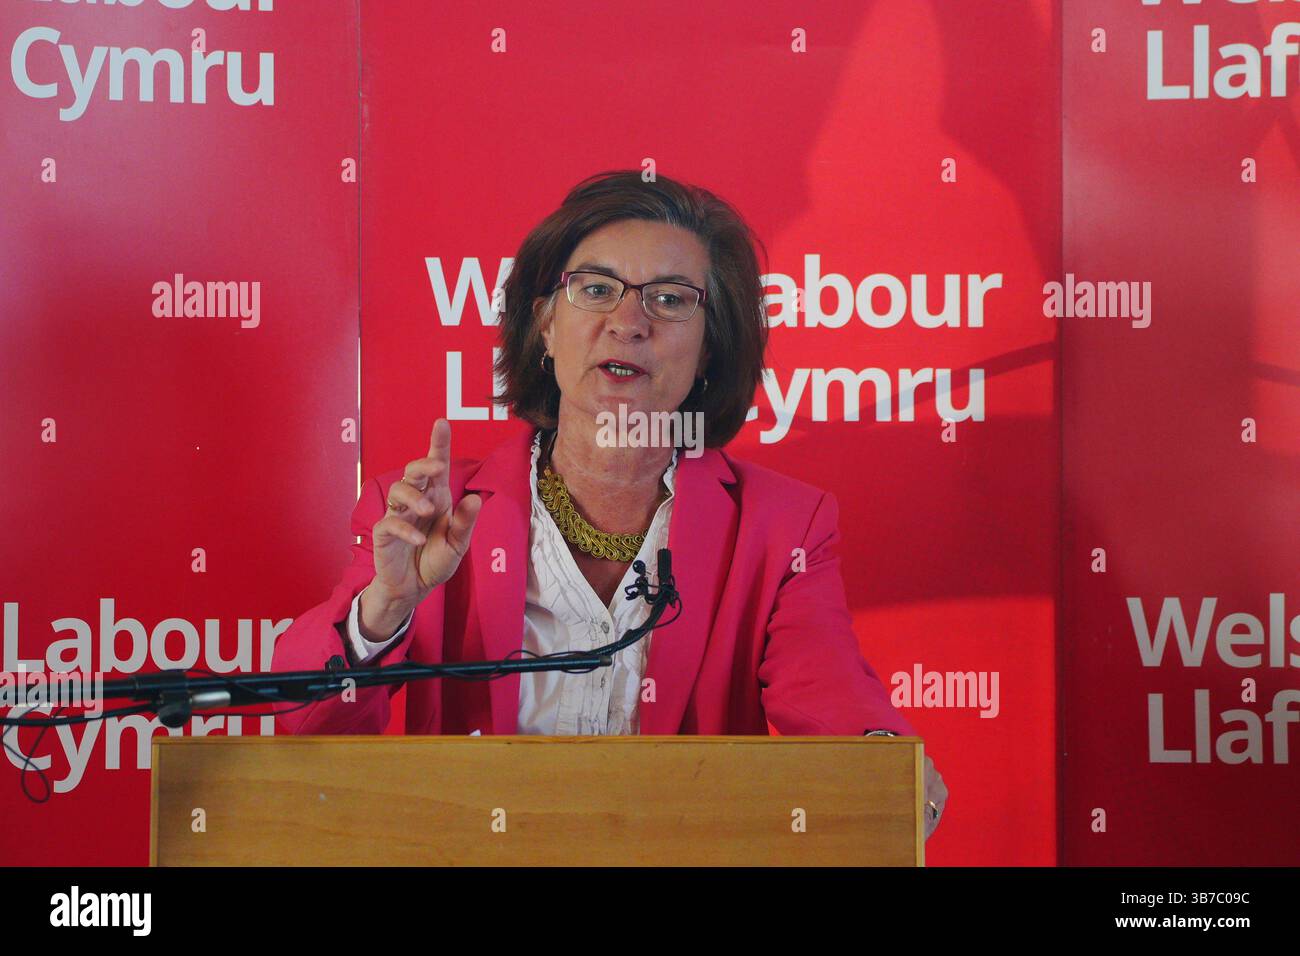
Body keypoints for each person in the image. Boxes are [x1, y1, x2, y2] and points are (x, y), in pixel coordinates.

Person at [271, 169, 948, 837]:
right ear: (545, 324)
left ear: (711, 347)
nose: (628, 323)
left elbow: (833, 692)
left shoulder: (781, 527)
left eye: (672, 299)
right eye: (596, 289)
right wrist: (388, 606)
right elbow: (305, 724)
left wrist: (887, 763)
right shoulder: (424, 513)